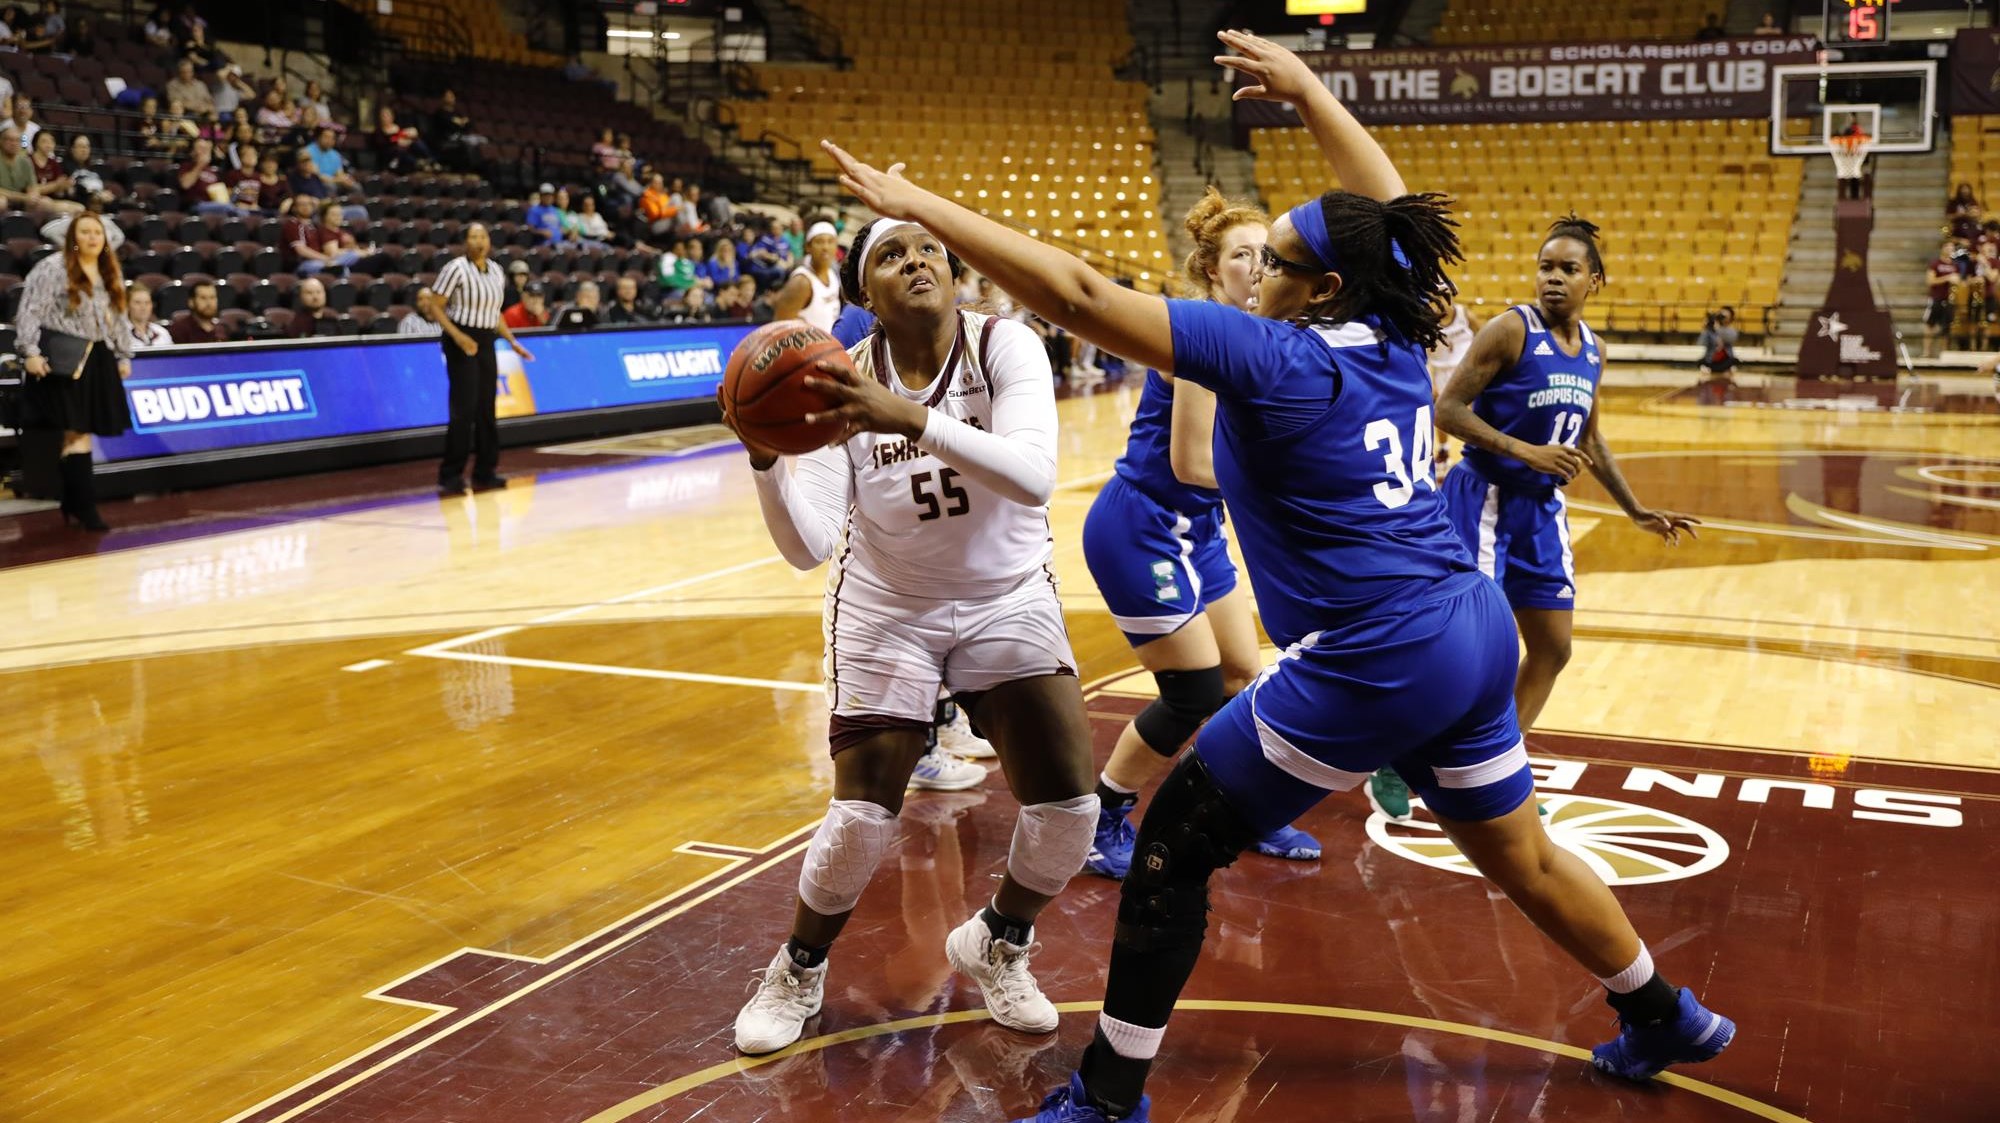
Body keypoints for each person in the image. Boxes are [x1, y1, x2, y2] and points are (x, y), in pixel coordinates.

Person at [822, 29, 1736, 1123]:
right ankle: (1660, 1010)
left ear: (1318, 287)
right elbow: (1389, 207)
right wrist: (1307, 90)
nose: (1259, 272)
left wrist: (926, 210)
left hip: (1378, 654)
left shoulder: (1275, 354)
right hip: (1466, 625)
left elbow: (1071, 291)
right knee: (1520, 852)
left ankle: (1109, 1098)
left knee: (1170, 848)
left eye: (1279, 262)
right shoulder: (1397, 334)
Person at [724, 215, 1099, 1059]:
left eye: (927, 248)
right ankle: (798, 963)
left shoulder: (1007, 345)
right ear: (865, 293)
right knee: (862, 812)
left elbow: (1035, 477)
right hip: (889, 603)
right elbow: (806, 545)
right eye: (890, 255)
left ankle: (999, 938)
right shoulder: (832, 379)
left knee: (1070, 808)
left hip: (1005, 595)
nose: (915, 260)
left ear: (954, 270)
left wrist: (906, 416)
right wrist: (762, 460)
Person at [1378, 214, 1699, 826]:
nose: (1553, 279)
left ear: (1594, 281)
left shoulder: (1596, 351)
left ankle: (1497, 771)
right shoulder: (1510, 330)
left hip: (1541, 512)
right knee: (1467, 651)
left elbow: (1591, 440)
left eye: (1568, 269)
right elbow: (1447, 408)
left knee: (1552, 649)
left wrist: (1635, 509)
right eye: (1545, 267)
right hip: (1485, 500)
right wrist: (1523, 450)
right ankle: (1395, 758)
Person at [1077, 187, 1320, 880]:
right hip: (1143, 525)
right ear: (1213, 271)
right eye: (1242, 255)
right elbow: (1191, 460)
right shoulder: (1204, 333)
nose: (1256, 266)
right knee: (1191, 690)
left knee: (1247, 675)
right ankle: (1103, 816)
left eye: (1266, 256)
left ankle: (1243, 806)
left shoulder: (1264, 335)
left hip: (1195, 528)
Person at [16, 212, 132, 532]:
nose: (93, 237)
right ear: (72, 238)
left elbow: (118, 316)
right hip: (63, 356)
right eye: (85, 232)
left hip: (98, 357)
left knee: (82, 432)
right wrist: (30, 351)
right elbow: (29, 310)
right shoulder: (53, 268)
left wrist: (123, 354)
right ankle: (84, 507)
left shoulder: (110, 271)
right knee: (73, 432)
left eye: (98, 232)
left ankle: (74, 503)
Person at [419, 223, 533, 495]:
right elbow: (436, 306)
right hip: (461, 339)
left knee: (486, 408)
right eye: (473, 236)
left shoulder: (496, 270)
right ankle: (451, 475)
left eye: (483, 236)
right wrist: (458, 337)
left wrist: (512, 341)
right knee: (463, 409)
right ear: (465, 242)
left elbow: (495, 314)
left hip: (485, 340)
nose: (479, 241)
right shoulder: (455, 268)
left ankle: (485, 472)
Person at [770, 220, 841, 332]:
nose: (825, 247)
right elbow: (779, 328)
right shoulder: (801, 281)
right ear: (808, 247)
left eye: (830, 241)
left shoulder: (832, 274)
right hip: (806, 348)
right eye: (819, 242)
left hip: (826, 345)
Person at [1695, 305, 1738, 405]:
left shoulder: (1731, 331)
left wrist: (1718, 328)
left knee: (1733, 362)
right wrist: (1706, 329)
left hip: (1725, 360)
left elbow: (1731, 339)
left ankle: (1726, 370)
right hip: (1711, 360)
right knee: (1701, 363)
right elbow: (1701, 342)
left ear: (1731, 318)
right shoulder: (1710, 330)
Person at [1924, 239, 1959, 359]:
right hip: (1936, 298)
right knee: (1930, 325)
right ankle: (1927, 352)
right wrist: (1947, 278)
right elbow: (1930, 281)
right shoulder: (1935, 263)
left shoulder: (1955, 265)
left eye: (1952, 247)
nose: (1950, 249)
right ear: (1942, 248)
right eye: (1947, 247)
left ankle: (1944, 353)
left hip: (1949, 299)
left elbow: (1958, 281)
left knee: (1946, 327)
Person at [124, 283, 171, 349]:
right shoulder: (120, 334)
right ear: (127, 305)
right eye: (137, 302)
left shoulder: (162, 333)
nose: (143, 307)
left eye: (147, 303)